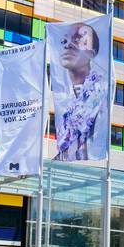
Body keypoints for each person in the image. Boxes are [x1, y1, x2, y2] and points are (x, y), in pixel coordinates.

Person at [53, 22, 108, 162]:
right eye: (64, 41)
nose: (68, 45)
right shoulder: (63, 97)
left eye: (78, 40)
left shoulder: (101, 92)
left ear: (92, 53)